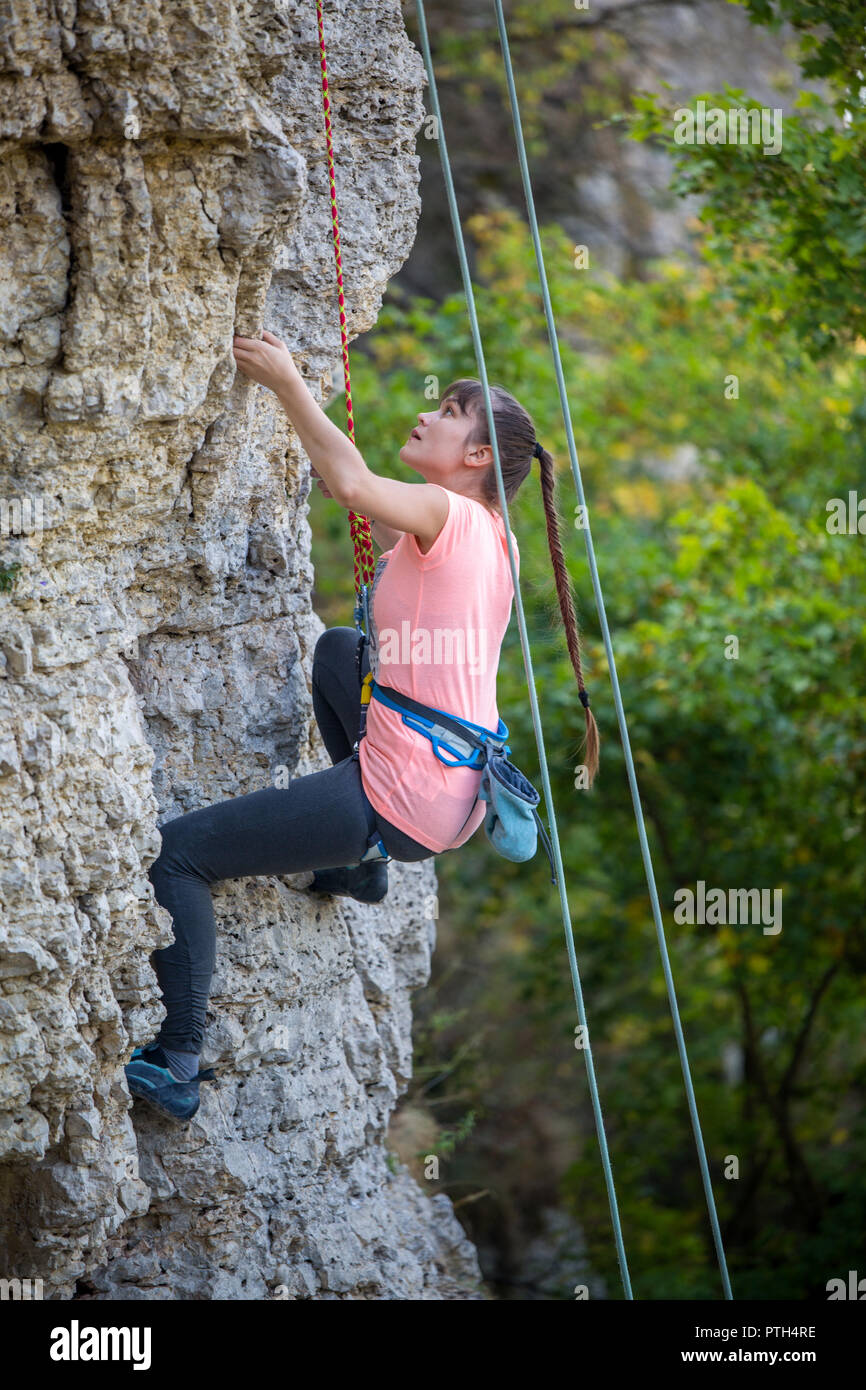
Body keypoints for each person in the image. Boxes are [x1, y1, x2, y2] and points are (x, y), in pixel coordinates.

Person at [124, 330, 598, 1121]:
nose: (427, 415)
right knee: (340, 652)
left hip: (406, 791)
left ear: (476, 457)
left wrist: (285, 379)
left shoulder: (448, 510)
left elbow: (347, 482)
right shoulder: (497, 539)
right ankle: (361, 867)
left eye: (448, 412)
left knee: (177, 857)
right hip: (455, 790)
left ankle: (177, 1058)